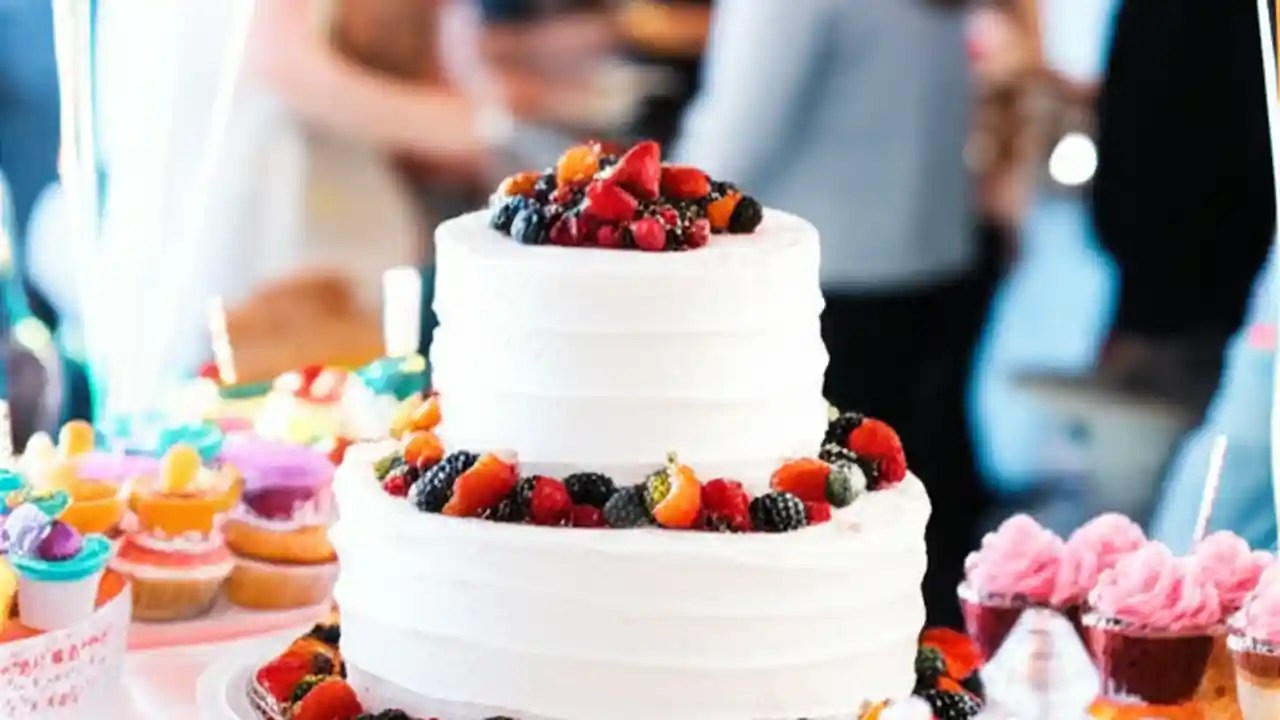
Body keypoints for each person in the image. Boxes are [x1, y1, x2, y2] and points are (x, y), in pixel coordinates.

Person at [673, 0, 984, 627]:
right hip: (937, 266)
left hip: (829, 287)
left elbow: (722, 159)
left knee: (824, 559)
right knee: (920, 534)